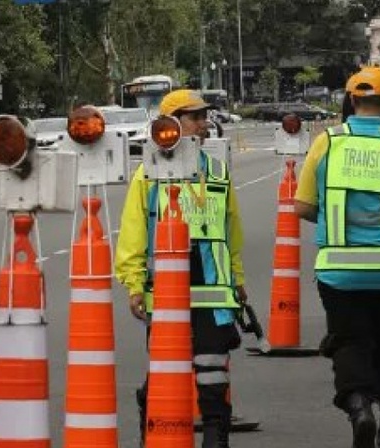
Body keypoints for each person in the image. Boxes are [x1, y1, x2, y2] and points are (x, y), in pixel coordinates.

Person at [295, 65, 380, 448]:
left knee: (349, 343)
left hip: (340, 272)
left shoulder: (328, 143)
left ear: (352, 100)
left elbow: (303, 206)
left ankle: (359, 408)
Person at [115, 89, 247, 448]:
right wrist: (133, 284)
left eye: (204, 116)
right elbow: (133, 232)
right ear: (170, 124)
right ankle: (153, 421)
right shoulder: (148, 175)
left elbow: (230, 230)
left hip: (212, 289)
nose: (204, 123)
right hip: (165, 296)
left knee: (213, 364)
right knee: (167, 368)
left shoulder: (217, 171)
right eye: (195, 116)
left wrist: (237, 279)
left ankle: (216, 437)